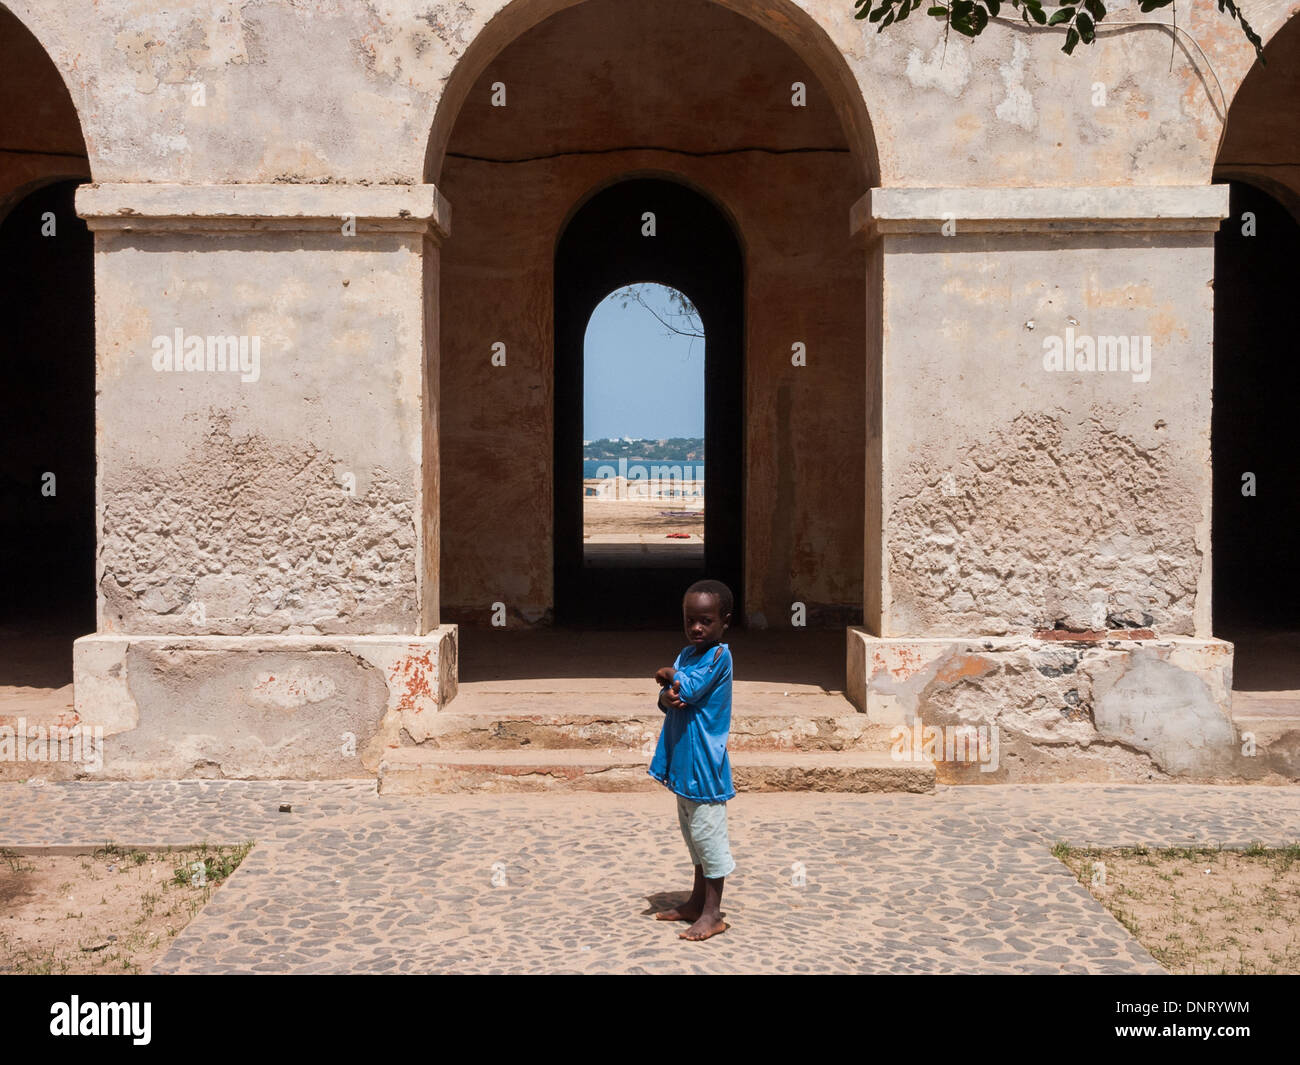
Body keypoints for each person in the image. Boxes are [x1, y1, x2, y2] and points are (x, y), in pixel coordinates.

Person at [649, 578, 736, 941]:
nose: (697, 628)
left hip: (705, 767)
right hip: (685, 765)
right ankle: (695, 902)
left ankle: (713, 913)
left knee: (710, 838)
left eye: (706, 621)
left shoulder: (719, 656)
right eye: (690, 621)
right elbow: (671, 696)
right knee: (694, 839)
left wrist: (670, 678)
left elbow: (688, 687)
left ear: (724, 622)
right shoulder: (686, 655)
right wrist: (665, 697)